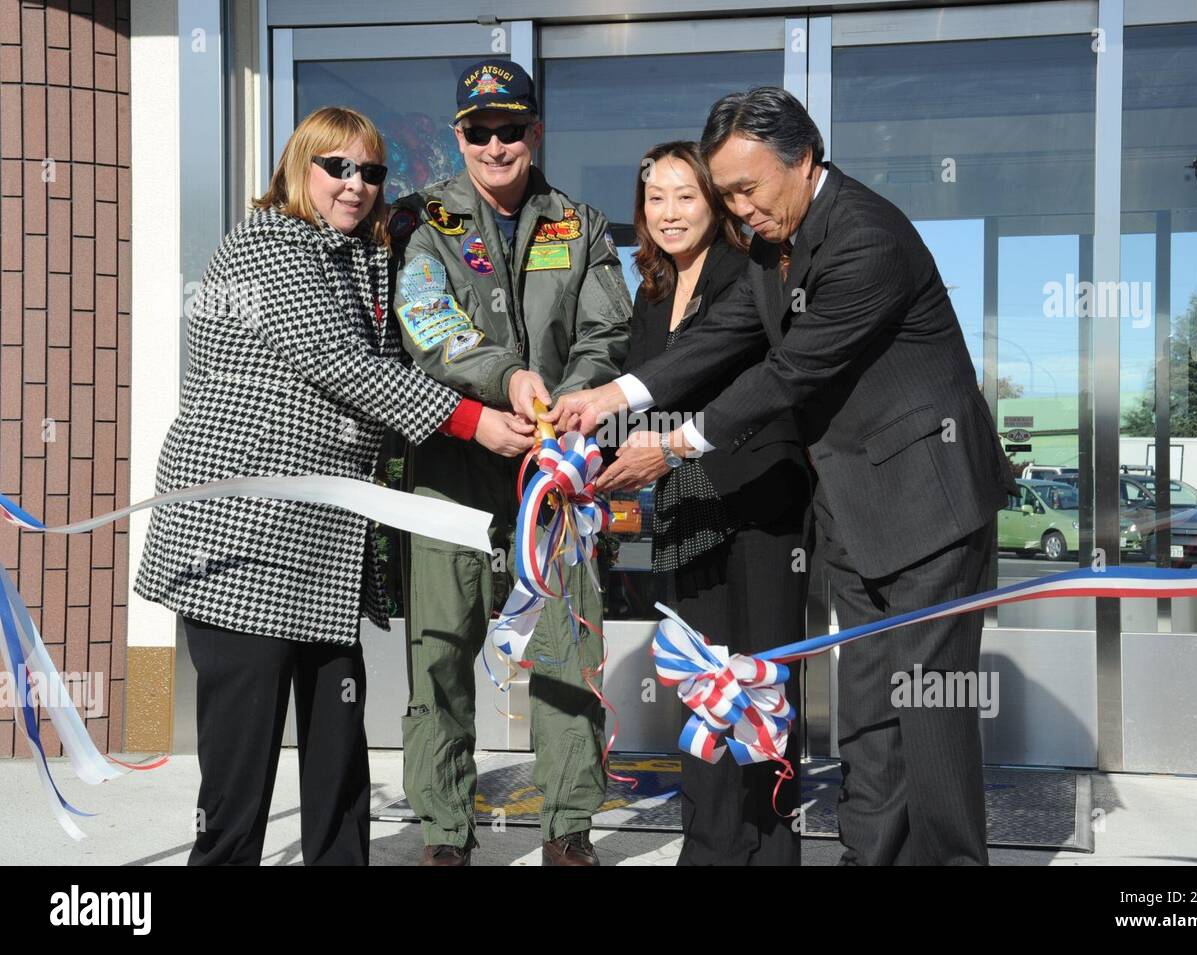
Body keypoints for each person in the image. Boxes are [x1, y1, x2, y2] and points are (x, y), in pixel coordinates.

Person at [546, 88, 1016, 866]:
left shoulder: (867, 237)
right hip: (857, 507)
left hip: (929, 502)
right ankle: (874, 855)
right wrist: (613, 396)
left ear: (803, 160)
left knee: (928, 708)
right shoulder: (772, 244)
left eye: (746, 189)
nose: (738, 208)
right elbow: (721, 336)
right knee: (867, 710)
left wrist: (672, 446)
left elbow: (790, 373)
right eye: (724, 191)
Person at [134, 106, 523, 865]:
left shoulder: (363, 256)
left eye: (371, 172)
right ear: (297, 167)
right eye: (336, 167)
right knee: (239, 777)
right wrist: (472, 419)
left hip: (321, 548)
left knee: (338, 748)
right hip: (243, 545)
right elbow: (337, 362)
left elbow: (406, 349)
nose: (355, 185)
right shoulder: (266, 245)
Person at [387, 59, 632, 867]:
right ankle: (446, 831)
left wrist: (573, 400)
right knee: (441, 650)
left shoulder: (582, 224)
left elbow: (607, 333)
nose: (496, 145)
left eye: (511, 128)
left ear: (534, 131)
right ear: (459, 136)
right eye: (479, 130)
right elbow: (429, 324)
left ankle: (568, 828)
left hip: (556, 475)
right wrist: (504, 380)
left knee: (567, 647)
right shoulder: (421, 223)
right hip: (452, 464)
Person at [622, 141, 811, 865]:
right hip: (688, 508)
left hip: (761, 503)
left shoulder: (752, 273)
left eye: (685, 195)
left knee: (761, 682)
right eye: (655, 197)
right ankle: (706, 847)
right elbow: (642, 392)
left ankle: (766, 848)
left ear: (716, 200)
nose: (668, 212)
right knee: (705, 684)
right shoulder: (651, 289)